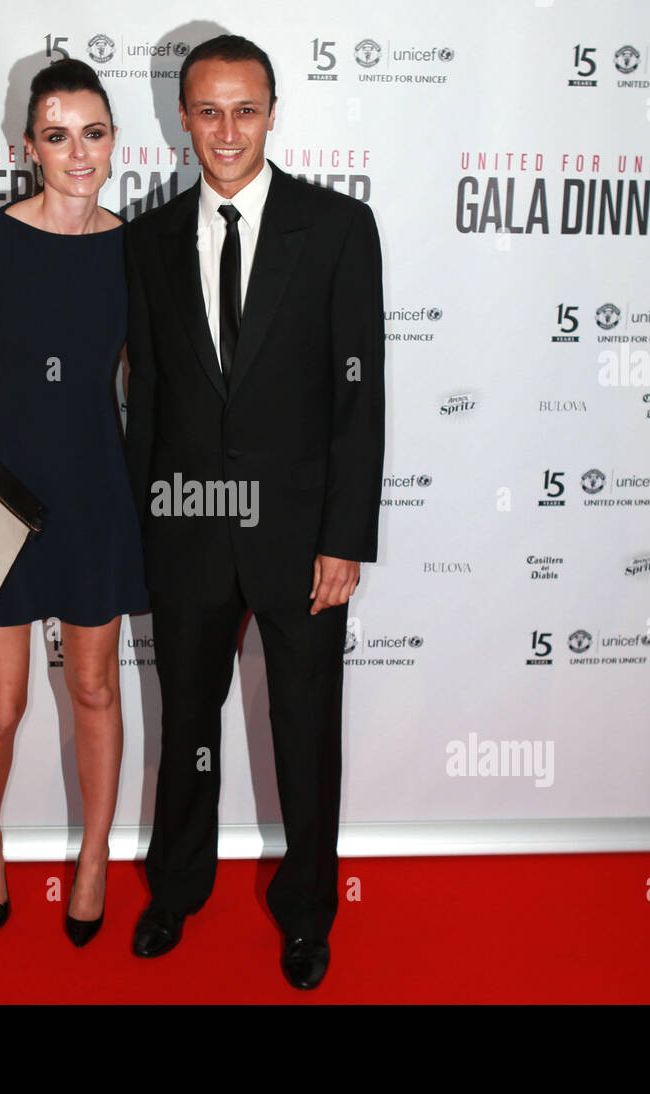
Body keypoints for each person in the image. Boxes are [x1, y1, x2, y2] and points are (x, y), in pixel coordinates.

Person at [123, 34, 385, 989]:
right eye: (207, 110)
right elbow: (147, 399)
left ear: (273, 113)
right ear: (182, 117)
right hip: (187, 534)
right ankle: (177, 888)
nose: (226, 131)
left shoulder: (339, 228)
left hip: (303, 538)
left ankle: (309, 910)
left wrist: (345, 540)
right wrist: (143, 530)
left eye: (245, 109)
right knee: (186, 724)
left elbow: (362, 398)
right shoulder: (146, 242)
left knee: (306, 734)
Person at [0, 58, 149, 947]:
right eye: (58, 135)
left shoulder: (135, 247)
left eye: (93, 133)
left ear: (113, 141)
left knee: (93, 688)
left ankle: (93, 860)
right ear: (30, 146)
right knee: (0, 706)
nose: (77, 153)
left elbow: (147, 385)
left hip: (96, 495)